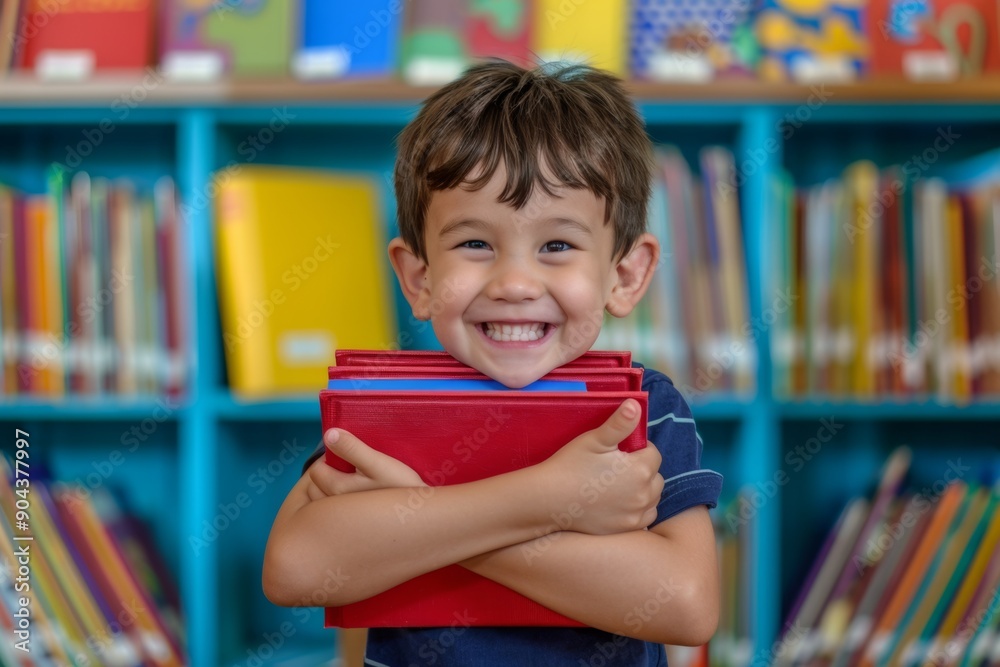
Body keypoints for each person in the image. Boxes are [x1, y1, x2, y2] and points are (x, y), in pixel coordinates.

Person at [262, 59, 723, 667]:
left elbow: (685, 604)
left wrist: (417, 512)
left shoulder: (641, 407)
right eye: (475, 244)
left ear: (625, 274)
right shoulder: (389, 405)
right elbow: (295, 569)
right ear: (419, 277)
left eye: (557, 245)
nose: (514, 282)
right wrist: (547, 498)